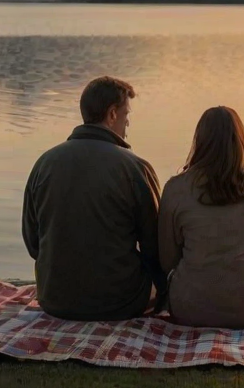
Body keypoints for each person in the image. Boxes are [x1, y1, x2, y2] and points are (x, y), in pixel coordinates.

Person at [22, 76, 165, 320]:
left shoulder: (44, 164)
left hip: (54, 299)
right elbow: (156, 248)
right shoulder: (135, 168)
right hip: (120, 302)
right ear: (111, 114)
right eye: (125, 115)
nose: (127, 123)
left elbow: (33, 242)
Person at [158, 106, 244, 329]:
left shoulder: (175, 188)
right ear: (240, 142)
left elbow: (167, 260)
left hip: (190, 310)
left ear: (199, 141)